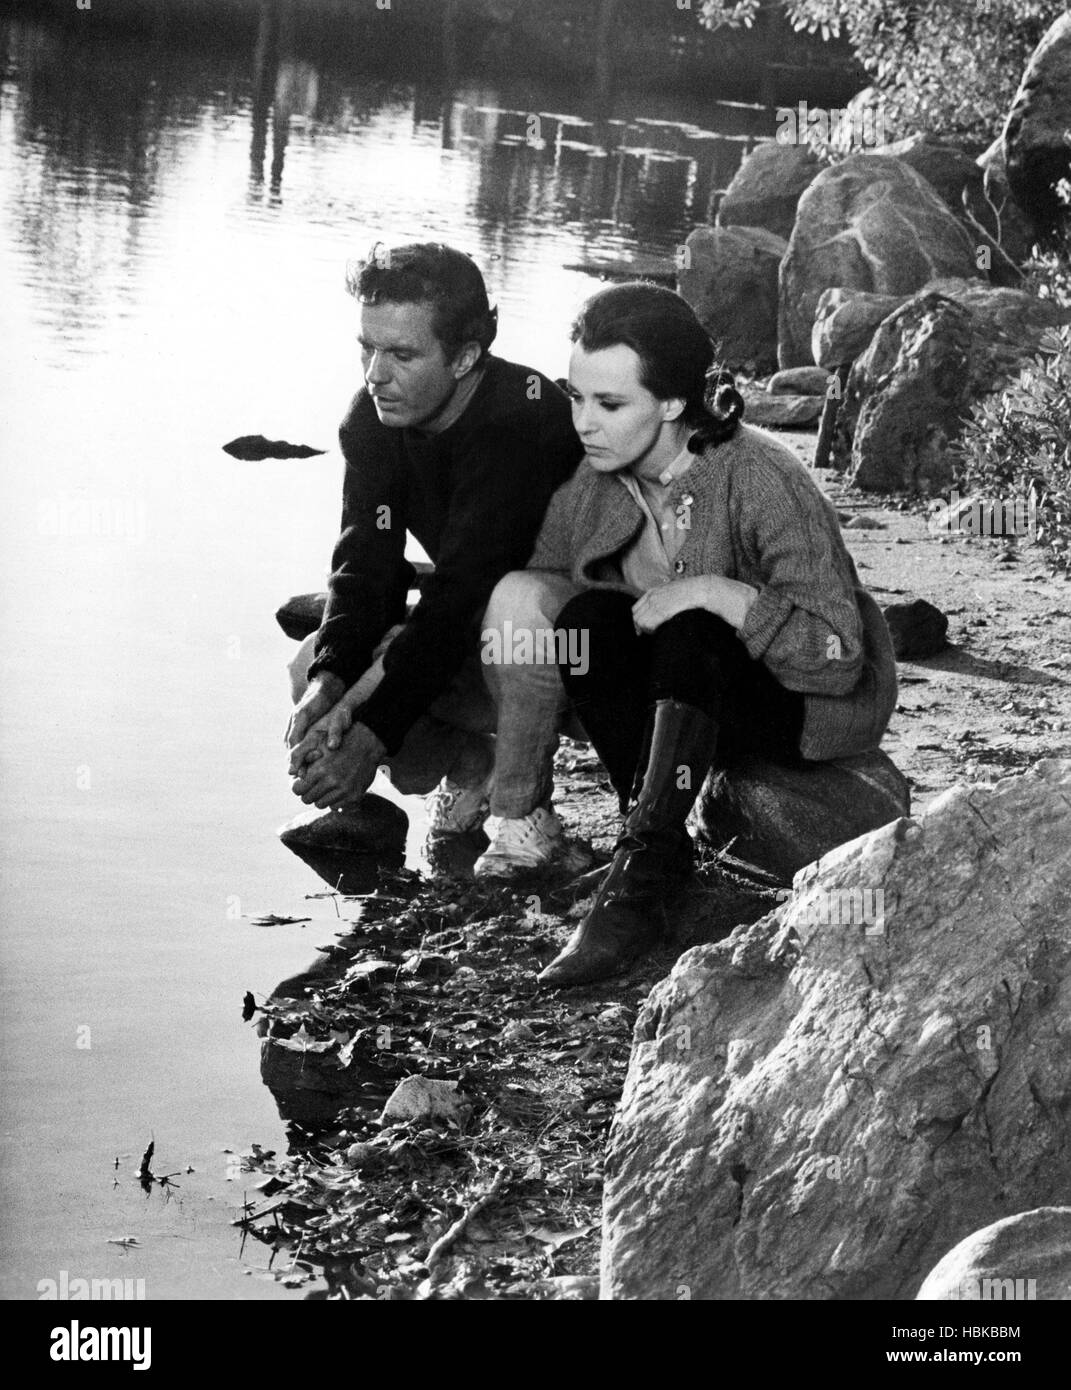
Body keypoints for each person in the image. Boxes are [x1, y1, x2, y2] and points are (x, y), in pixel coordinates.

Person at [476, 281, 898, 985]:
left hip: (793, 707)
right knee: (586, 620)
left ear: (672, 402)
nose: (583, 422)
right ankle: (648, 843)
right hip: (681, 708)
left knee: (691, 624)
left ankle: (640, 874)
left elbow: (838, 657)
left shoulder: (760, 476)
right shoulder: (593, 482)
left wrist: (717, 592)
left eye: (609, 404)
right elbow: (545, 593)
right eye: (574, 396)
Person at [285, 242, 582, 863]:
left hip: (575, 643)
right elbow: (367, 563)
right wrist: (331, 678)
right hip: (474, 619)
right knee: (310, 664)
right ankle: (474, 768)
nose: (374, 375)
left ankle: (525, 814)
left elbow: (462, 596)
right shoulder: (370, 420)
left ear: (466, 357)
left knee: (502, 610)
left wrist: (371, 732)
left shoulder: (517, 422)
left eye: (401, 354)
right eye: (366, 347)